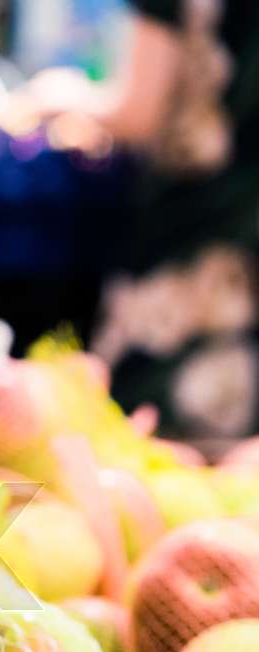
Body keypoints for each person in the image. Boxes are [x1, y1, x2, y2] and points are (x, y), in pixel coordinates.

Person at [28, 1, 259, 437]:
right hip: (240, 234)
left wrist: (58, 94)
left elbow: (137, 112)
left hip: (189, 237)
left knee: (148, 430)